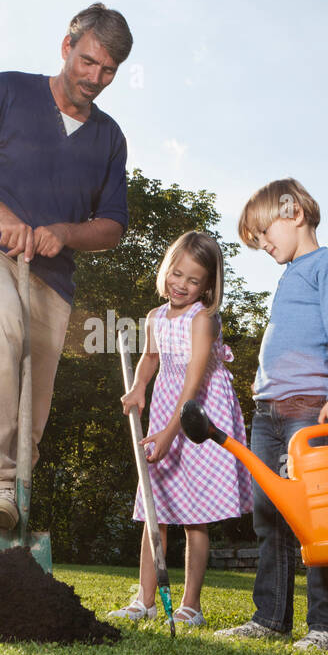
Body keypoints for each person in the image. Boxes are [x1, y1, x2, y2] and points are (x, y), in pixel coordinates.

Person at [0, 3, 133, 556]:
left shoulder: (109, 139)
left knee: (25, 424)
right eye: (88, 61)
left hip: (51, 284)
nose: (95, 78)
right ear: (67, 46)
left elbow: (112, 225)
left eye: (109, 71)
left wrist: (65, 232)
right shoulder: (9, 91)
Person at [214, 178, 328, 651]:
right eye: (254, 240)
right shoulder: (289, 273)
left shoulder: (327, 263)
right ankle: (271, 617)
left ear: (293, 212)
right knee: (267, 514)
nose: (262, 243)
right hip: (268, 413)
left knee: (316, 516)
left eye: (263, 231)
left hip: (310, 409)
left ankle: (325, 626)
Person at [111, 232, 253, 626]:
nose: (182, 285)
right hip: (164, 417)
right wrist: (139, 386)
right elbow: (150, 359)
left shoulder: (203, 319)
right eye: (177, 274)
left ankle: (191, 605)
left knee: (195, 516)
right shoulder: (155, 318)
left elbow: (192, 386)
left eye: (193, 281)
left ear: (208, 286)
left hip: (199, 419)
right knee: (155, 510)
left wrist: (171, 433)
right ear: (166, 270)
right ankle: (145, 599)